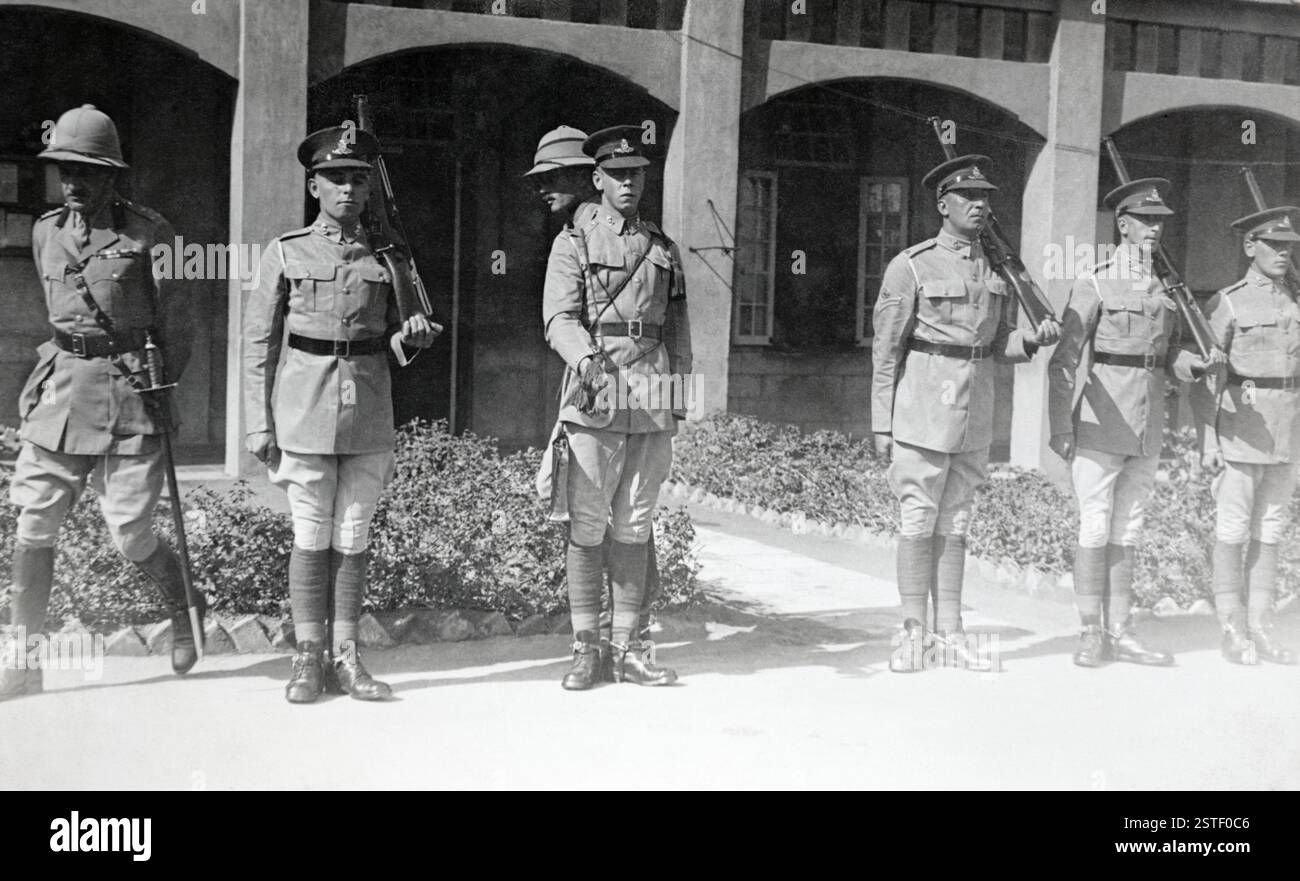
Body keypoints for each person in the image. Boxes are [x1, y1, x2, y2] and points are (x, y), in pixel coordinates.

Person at [2, 105, 199, 701]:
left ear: (114, 176)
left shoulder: (150, 234)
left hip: (129, 392)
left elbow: (181, 321)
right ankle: (23, 660)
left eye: (86, 171)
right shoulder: (45, 231)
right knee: (33, 524)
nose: (74, 182)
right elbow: (56, 310)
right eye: (64, 170)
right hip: (61, 390)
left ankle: (184, 605)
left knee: (130, 533)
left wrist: (161, 390)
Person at [244, 124, 437, 704]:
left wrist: (417, 338)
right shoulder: (286, 251)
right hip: (301, 409)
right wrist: (258, 421)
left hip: (369, 411)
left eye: (357, 179)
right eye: (336, 179)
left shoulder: (390, 255)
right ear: (314, 185)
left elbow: (397, 343)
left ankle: (349, 657)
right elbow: (259, 343)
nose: (348, 190)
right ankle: (307, 658)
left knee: (352, 536)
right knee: (310, 533)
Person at [872, 154, 1059, 673]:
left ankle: (950, 632)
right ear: (943, 204)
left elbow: (998, 343)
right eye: (968, 197)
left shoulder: (996, 268)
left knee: (956, 521)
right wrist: (882, 424)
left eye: (986, 198)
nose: (980, 206)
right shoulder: (912, 265)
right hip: (922, 412)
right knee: (917, 518)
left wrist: (1031, 340)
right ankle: (913, 633)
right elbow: (886, 351)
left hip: (975, 410)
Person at [541, 124, 691, 689]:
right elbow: (558, 318)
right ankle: (586, 649)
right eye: (618, 175)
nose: (629, 184)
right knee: (586, 521)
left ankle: (629, 647)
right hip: (594, 390)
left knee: (634, 522)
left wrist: (681, 396)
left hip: (652, 394)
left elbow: (678, 326)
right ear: (597, 179)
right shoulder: (573, 243)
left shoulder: (662, 246)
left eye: (637, 175)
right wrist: (586, 362)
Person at [1047, 178, 1212, 668]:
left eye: (1161, 222)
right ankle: (1089, 632)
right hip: (1100, 425)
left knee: (1129, 530)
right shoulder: (1095, 282)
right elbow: (1063, 362)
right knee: (1095, 528)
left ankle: (1122, 630)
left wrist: (1192, 365)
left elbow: (1169, 355)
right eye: (1146, 221)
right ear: (1123, 225)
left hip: (1146, 429)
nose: (1155, 230)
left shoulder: (1167, 290)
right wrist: (1060, 426)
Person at [1199, 207, 1300, 665]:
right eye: (1274, 245)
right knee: (1233, 531)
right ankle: (1231, 625)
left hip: (1287, 435)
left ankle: (1261, 625)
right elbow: (1206, 376)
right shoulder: (1229, 302)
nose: (1284, 252)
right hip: (1240, 434)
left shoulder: (1295, 301)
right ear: (1250, 247)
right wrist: (1208, 441)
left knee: (1271, 530)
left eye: (1289, 246)